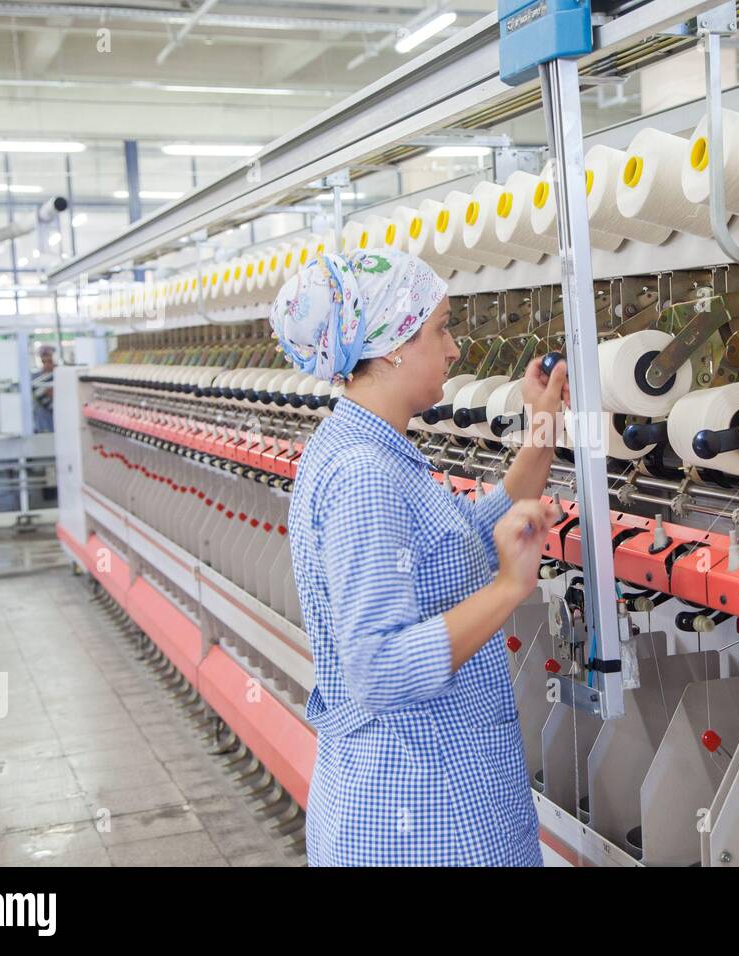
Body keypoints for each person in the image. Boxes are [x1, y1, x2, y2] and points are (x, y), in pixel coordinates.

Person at [271, 248, 568, 866]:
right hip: (420, 816)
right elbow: (378, 669)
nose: (455, 348)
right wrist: (508, 589)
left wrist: (540, 427)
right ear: (393, 345)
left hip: (433, 792)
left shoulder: (366, 446)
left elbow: (463, 536)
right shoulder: (364, 475)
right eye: (440, 328)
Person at [31, 345, 55, 433]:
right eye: (44, 361)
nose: (47, 364)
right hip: (42, 415)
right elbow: (35, 392)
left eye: (49, 361)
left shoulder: (58, 375)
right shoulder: (36, 377)